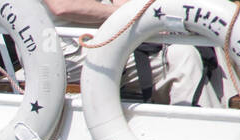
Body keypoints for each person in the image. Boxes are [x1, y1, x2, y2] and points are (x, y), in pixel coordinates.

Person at [37, 0, 223, 107]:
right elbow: (62, 6)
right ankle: (199, 136)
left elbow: (125, 4)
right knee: (183, 56)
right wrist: (131, 14)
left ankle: (227, 118)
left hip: (104, 42)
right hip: (61, 53)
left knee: (208, 46)